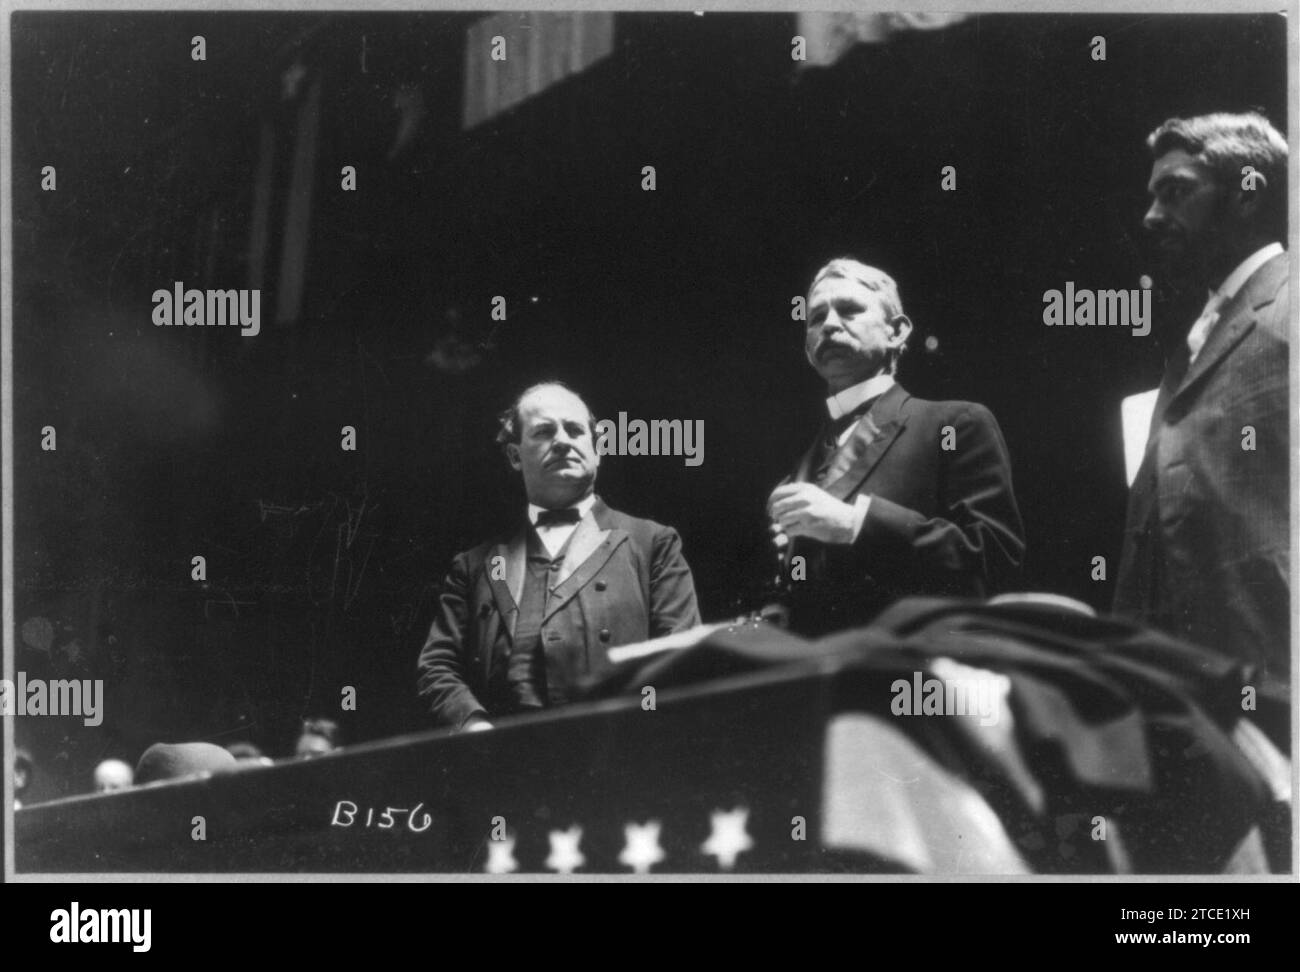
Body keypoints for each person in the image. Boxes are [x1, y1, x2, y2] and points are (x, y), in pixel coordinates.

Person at [1114, 112, 1289, 684]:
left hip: (1269, 675)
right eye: (1152, 195)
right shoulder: (1198, 334)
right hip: (1173, 678)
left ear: (1247, 194)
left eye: (1175, 192)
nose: (1150, 216)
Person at [417, 381, 701, 730]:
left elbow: (681, 653)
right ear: (515, 456)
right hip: (504, 753)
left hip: (618, 747)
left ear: (597, 448)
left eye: (575, 430)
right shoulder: (473, 565)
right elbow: (437, 665)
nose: (563, 441)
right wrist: (474, 726)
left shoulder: (652, 543)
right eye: (544, 431)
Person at [768, 258, 1025, 635]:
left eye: (850, 310)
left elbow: (996, 560)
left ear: (897, 331)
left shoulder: (957, 423)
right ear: (808, 348)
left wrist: (855, 524)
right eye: (816, 317)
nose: (830, 324)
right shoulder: (799, 467)